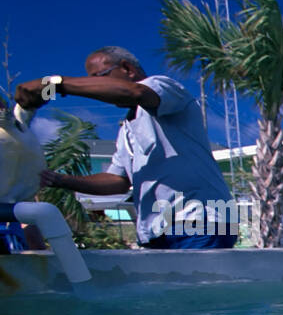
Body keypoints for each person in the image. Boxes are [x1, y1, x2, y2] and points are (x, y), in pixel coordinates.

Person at [14, 46, 237, 249]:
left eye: (98, 79)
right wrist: (58, 180)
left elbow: (135, 92)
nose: (95, 90)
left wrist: (55, 85)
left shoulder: (163, 87)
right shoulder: (126, 131)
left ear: (127, 68)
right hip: (155, 230)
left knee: (198, 293)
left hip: (201, 220)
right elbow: (118, 181)